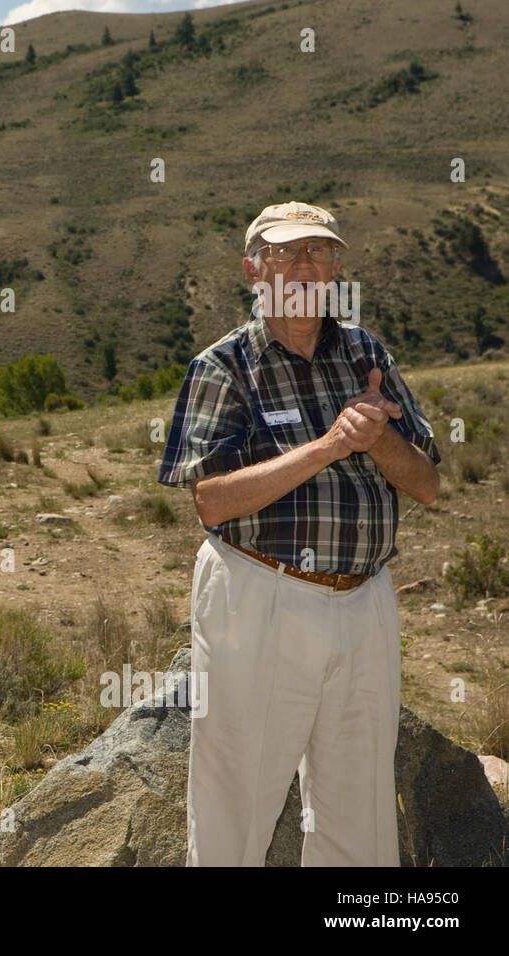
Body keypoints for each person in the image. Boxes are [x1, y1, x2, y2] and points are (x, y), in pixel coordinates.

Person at [157, 201, 441, 866]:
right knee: (236, 802)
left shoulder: (366, 353)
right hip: (261, 596)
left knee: (360, 812)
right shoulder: (224, 367)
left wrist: (377, 439)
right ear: (254, 270)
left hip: (364, 599)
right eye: (285, 253)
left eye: (317, 251)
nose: (303, 265)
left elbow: (426, 483)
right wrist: (329, 445)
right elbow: (212, 501)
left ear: (337, 267)